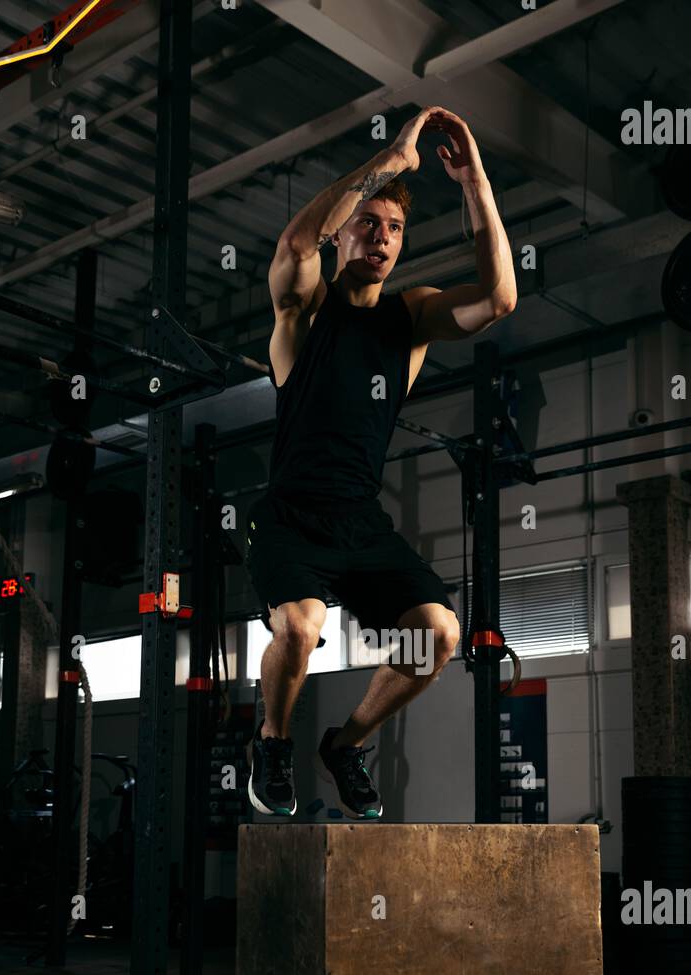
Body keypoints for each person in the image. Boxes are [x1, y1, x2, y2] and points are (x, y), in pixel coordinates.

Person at [246, 105, 517, 819]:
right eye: (368, 223)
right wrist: (391, 162)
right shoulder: (302, 313)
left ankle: (344, 744)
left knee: (439, 634)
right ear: (342, 233)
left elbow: (498, 298)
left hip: (360, 523)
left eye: (394, 228)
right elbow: (293, 243)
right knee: (301, 627)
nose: (382, 237)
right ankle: (272, 744)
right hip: (290, 516)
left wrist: (474, 182)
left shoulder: (410, 318)